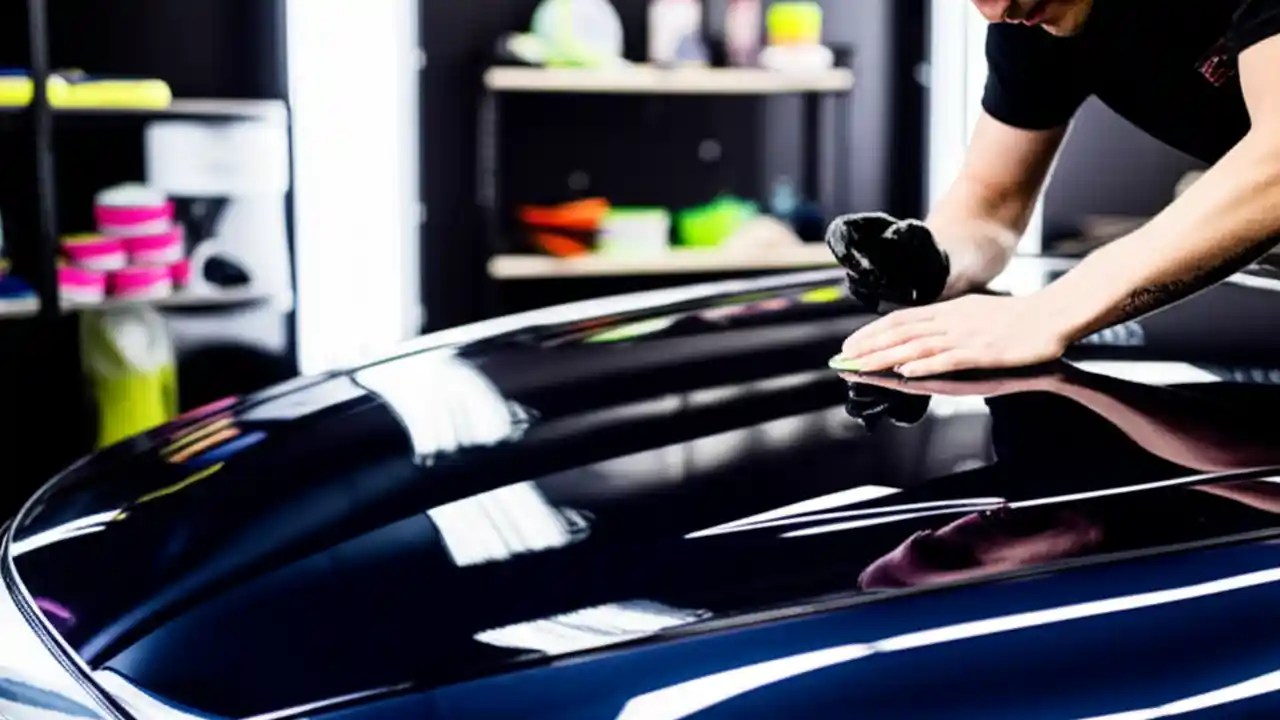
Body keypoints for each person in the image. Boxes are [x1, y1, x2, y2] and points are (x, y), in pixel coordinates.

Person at [829, 0, 1280, 378]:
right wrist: (930, 259)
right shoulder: (1032, 20)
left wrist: (1051, 311)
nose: (995, 10)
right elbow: (990, 202)